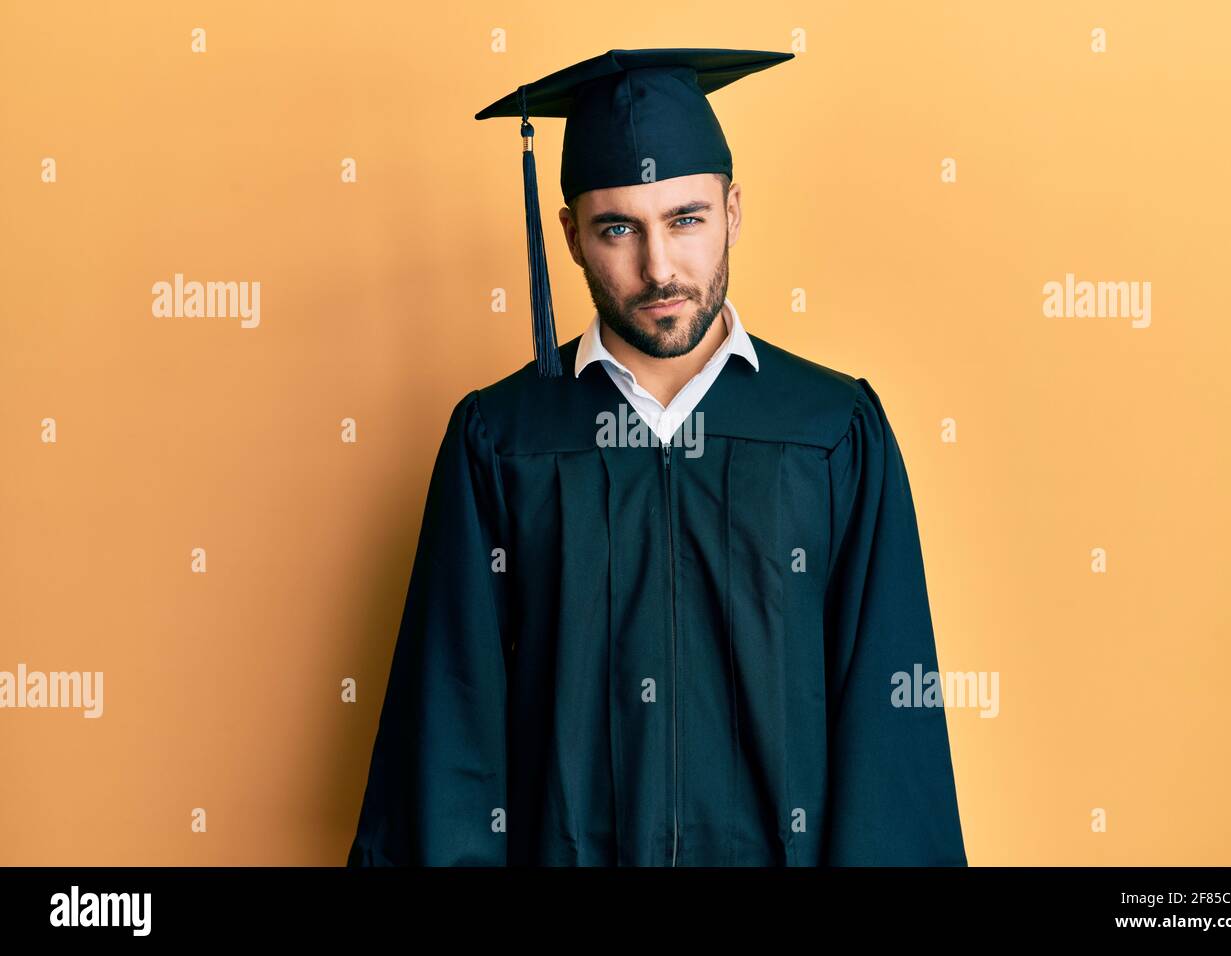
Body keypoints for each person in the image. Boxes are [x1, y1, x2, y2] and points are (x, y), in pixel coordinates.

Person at [346, 47, 967, 866]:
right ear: (569, 235)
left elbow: (889, 720)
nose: (659, 267)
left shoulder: (830, 428)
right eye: (617, 229)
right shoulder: (502, 439)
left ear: (733, 211)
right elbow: (451, 716)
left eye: (686, 219)